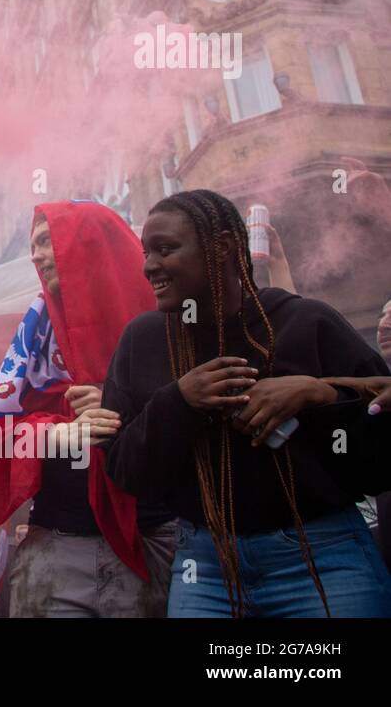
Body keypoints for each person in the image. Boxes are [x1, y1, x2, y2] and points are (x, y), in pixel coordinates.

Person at [102, 188, 391, 617]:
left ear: (221, 248)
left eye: (165, 249)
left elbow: (381, 458)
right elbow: (127, 472)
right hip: (205, 570)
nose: (149, 266)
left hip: (323, 559)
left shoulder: (304, 321)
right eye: (147, 252)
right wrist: (180, 402)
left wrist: (322, 394)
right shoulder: (142, 341)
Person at [0, 201, 177, 617]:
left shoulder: (169, 320)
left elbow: (205, 428)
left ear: (87, 241)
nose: (35, 257)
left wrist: (126, 408)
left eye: (45, 242)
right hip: (54, 550)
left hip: (154, 544)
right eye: (32, 245)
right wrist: (52, 434)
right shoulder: (35, 334)